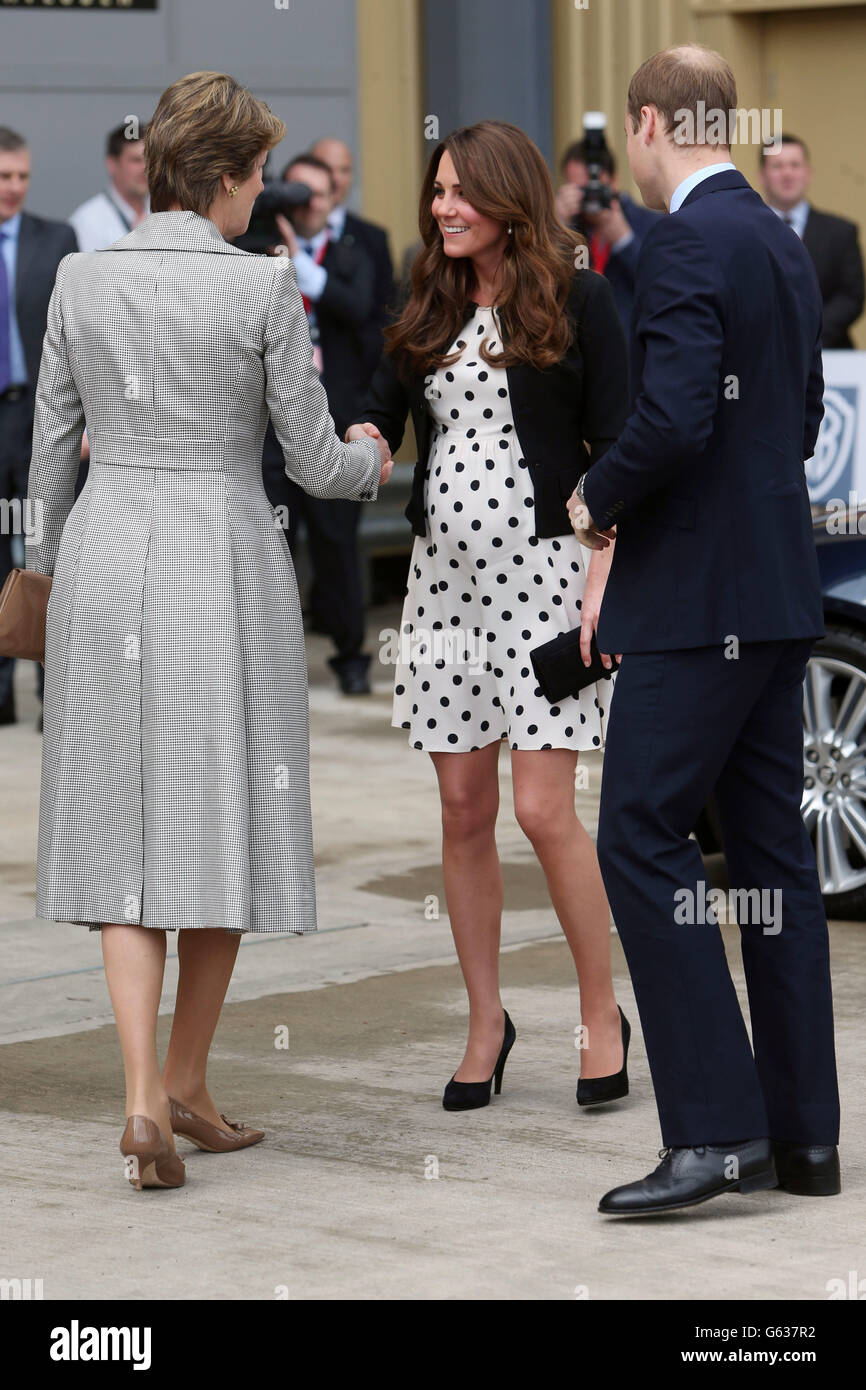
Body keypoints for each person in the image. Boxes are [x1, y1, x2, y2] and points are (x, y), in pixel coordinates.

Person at [25, 71, 391, 1191]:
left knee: (120, 840)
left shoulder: (79, 278)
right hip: (218, 557)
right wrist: (373, 451)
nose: (258, 202)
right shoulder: (261, 287)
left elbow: (48, 461)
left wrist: (37, 574)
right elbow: (316, 462)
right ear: (227, 180)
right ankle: (183, 1081)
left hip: (102, 556)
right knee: (214, 829)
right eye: (253, 181)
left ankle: (145, 1098)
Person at [568, 44, 840, 1214]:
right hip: (777, 594)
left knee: (634, 831)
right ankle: (801, 1138)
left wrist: (595, 497)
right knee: (772, 866)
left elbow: (675, 418)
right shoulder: (778, 240)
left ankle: (716, 1133)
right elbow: (803, 412)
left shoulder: (683, 239)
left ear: (644, 124)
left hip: (696, 605)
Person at [351, 120, 632, 1113]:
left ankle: (601, 1014)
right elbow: (377, 402)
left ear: (507, 197)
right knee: (463, 808)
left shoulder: (581, 297)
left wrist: (604, 579)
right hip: (443, 590)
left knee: (542, 808)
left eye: (459, 192)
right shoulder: (423, 295)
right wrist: (365, 435)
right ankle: (486, 1022)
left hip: (550, 583)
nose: (442, 207)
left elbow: (618, 443)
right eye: (435, 193)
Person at [260, 153, 380, 694]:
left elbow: (362, 311)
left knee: (337, 543)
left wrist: (304, 272)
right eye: (297, 192)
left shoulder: (357, 247)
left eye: (320, 194)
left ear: (334, 200)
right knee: (272, 542)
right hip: (268, 428)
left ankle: (350, 654)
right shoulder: (256, 244)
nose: (309, 204)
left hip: (334, 418)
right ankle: (270, 658)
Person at [0, 126, 77, 729]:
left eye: (23, 176)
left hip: (41, 422)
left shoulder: (57, 240)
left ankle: (58, 692)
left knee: (47, 550)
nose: (15, 188)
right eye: (4, 177)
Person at [759, 133, 865, 349]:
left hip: (830, 355)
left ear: (808, 173)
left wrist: (807, 334)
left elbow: (852, 296)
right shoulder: (746, 233)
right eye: (777, 166)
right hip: (763, 355)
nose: (787, 173)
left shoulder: (841, 232)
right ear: (762, 176)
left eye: (795, 165)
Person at [555, 137, 660, 337]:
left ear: (615, 181)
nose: (590, 197)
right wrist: (560, 226)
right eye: (581, 190)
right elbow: (551, 283)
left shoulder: (649, 224)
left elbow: (660, 287)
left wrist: (625, 241)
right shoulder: (569, 230)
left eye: (595, 187)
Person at [311, 137, 397, 378]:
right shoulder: (282, 234)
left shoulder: (373, 238)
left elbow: (384, 317)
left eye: (344, 170)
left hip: (352, 384)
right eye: (327, 168)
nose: (336, 179)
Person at [68, 124, 151, 253]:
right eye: (136, 160)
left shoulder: (167, 213)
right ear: (112, 164)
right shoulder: (86, 223)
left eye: (150, 159)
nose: (145, 168)